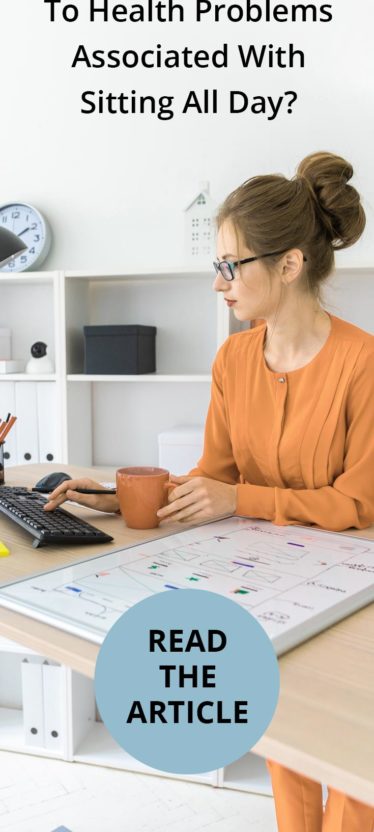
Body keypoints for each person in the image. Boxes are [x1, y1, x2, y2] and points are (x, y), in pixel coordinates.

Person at [45, 151, 374, 832]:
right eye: (216, 265)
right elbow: (215, 481)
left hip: (354, 602)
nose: (219, 282)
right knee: (285, 744)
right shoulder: (232, 359)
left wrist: (242, 500)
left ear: (289, 264)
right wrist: (116, 496)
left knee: (351, 781)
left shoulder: (364, 363)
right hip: (271, 588)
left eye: (232, 265)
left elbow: (359, 506)